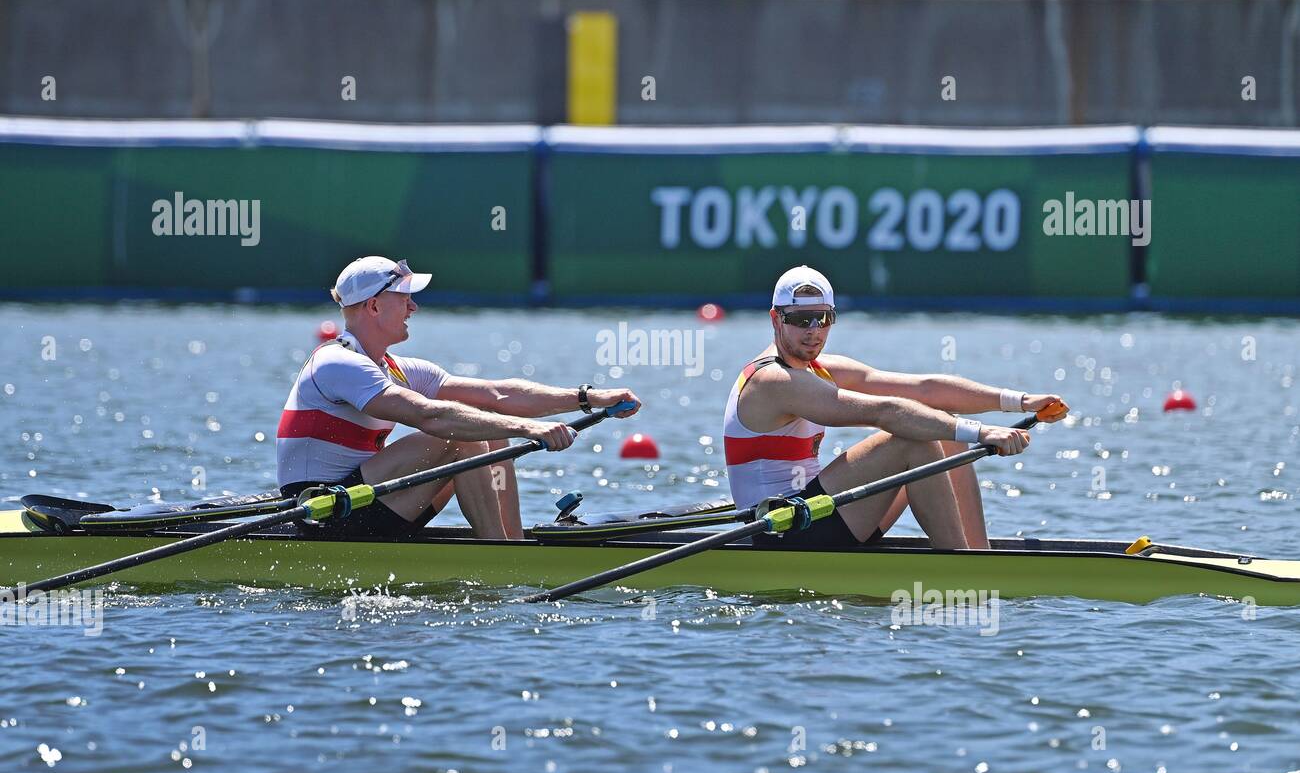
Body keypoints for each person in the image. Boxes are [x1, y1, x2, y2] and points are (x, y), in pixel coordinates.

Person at [277, 256, 638, 539]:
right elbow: (430, 417)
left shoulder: (396, 368)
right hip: (321, 511)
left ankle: (513, 547)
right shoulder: (337, 362)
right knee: (454, 436)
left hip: (360, 504)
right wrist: (531, 428)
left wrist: (588, 397)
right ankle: (500, 561)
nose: (413, 308)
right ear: (373, 306)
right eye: (404, 298)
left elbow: (498, 394)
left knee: (489, 426)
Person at [722, 265, 1067, 550]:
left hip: (816, 517)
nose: (813, 331)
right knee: (909, 440)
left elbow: (924, 389)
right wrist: (983, 431)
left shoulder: (820, 368)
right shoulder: (772, 381)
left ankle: (979, 555)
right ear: (775, 319)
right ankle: (964, 573)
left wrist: (1018, 401)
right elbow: (884, 412)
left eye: (823, 319)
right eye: (802, 319)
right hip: (778, 532)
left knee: (944, 435)